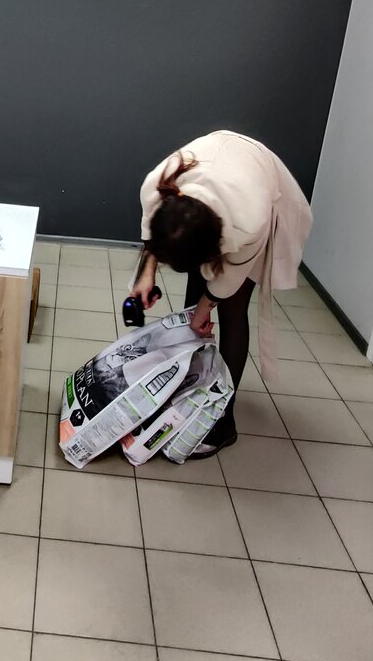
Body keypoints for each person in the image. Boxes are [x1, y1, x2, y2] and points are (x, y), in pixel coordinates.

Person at [131, 130, 313, 458]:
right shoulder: (157, 185)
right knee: (192, 308)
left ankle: (222, 419)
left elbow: (227, 280)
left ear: (214, 250)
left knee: (232, 309)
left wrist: (207, 305)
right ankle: (189, 388)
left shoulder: (248, 221)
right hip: (216, 171)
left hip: (260, 178)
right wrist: (146, 273)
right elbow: (153, 234)